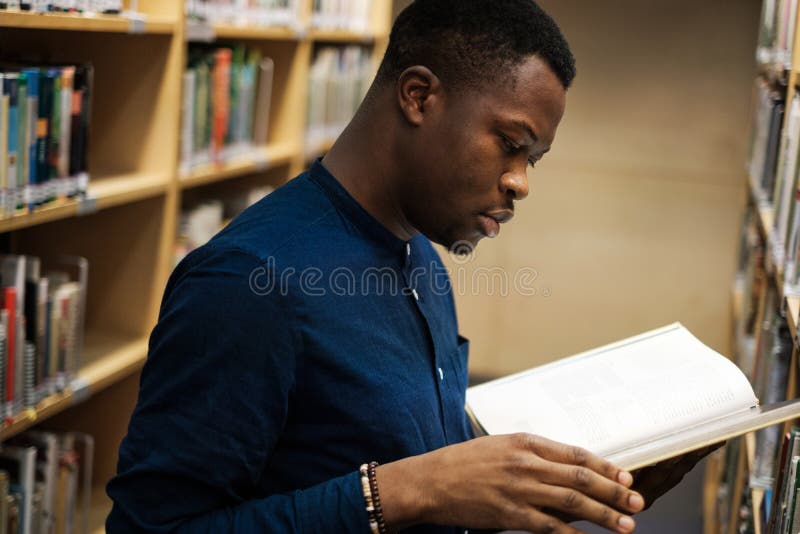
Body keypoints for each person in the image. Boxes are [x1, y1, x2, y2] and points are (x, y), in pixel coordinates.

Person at [106, 1, 709, 532]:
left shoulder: (419, 254)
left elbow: (421, 475)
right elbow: (153, 528)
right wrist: (405, 491)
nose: (520, 182)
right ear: (418, 95)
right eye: (510, 143)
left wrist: (555, 489)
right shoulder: (249, 283)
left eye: (534, 160)